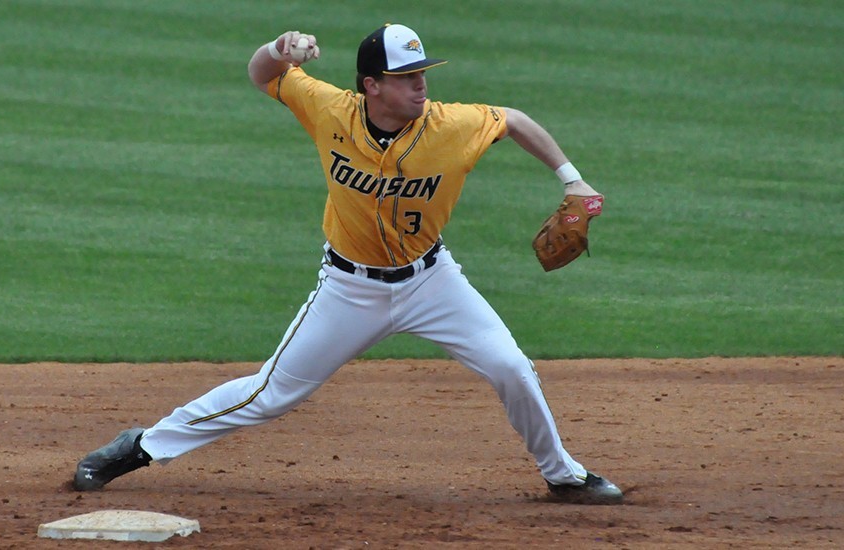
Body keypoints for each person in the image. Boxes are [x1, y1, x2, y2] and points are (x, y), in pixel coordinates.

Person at [72, 23, 623, 505]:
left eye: (422, 73)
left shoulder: (452, 125)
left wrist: (571, 178)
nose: (421, 84)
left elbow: (514, 120)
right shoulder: (330, 109)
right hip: (348, 290)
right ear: (371, 85)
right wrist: (278, 48)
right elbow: (262, 74)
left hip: (433, 283)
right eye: (406, 76)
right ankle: (141, 446)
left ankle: (563, 476)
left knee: (511, 367)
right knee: (269, 394)